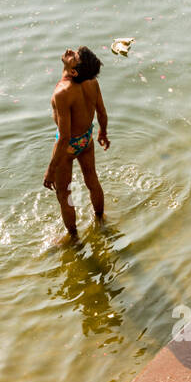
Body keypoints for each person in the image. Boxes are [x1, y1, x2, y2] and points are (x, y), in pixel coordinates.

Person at [45, 46, 110, 239]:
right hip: (86, 138)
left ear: (73, 71)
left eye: (74, 56)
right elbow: (102, 112)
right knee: (92, 179)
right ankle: (101, 220)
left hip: (68, 146)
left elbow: (64, 137)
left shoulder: (62, 93)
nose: (69, 51)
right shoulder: (92, 82)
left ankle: (73, 238)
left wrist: (50, 169)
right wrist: (103, 132)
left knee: (64, 194)